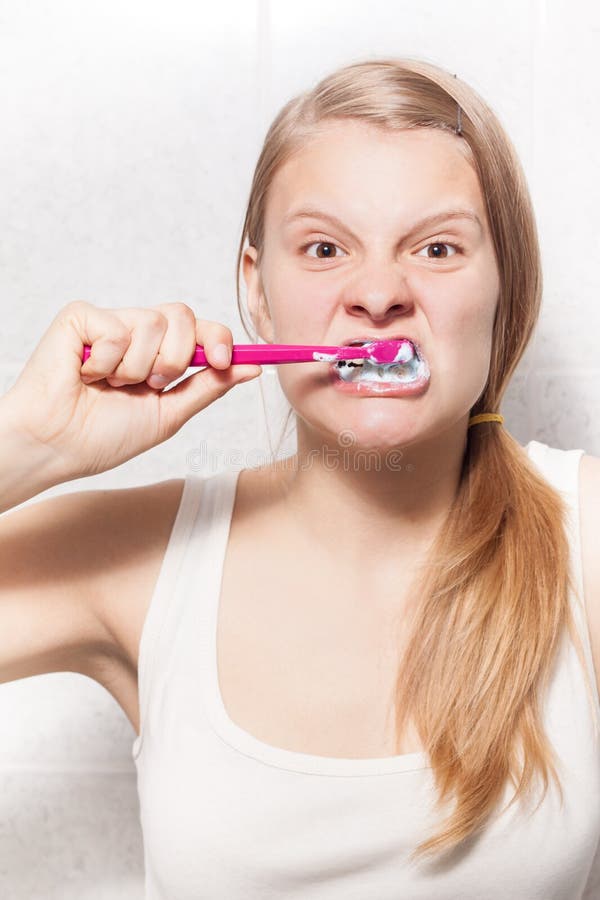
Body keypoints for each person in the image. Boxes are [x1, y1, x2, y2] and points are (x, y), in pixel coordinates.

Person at [1, 57, 599, 899]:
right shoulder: (140, 563)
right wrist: (28, 444)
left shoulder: (586, 538)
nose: (379, 292)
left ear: (507, 288)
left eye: (436, 247)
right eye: (325, 248)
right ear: (259, 291)